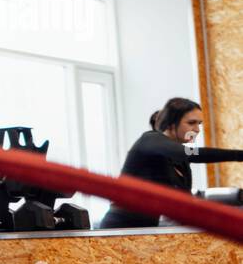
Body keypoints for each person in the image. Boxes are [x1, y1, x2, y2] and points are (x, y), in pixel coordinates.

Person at [98, 97, 243, 229]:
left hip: (147, 231)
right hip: (119, 228)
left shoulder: (181, 161)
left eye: (199, 124)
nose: (197, 130)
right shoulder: (150, 139)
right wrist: (238, 155)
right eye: (191, 123)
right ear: (171, 125)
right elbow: (192, 154)